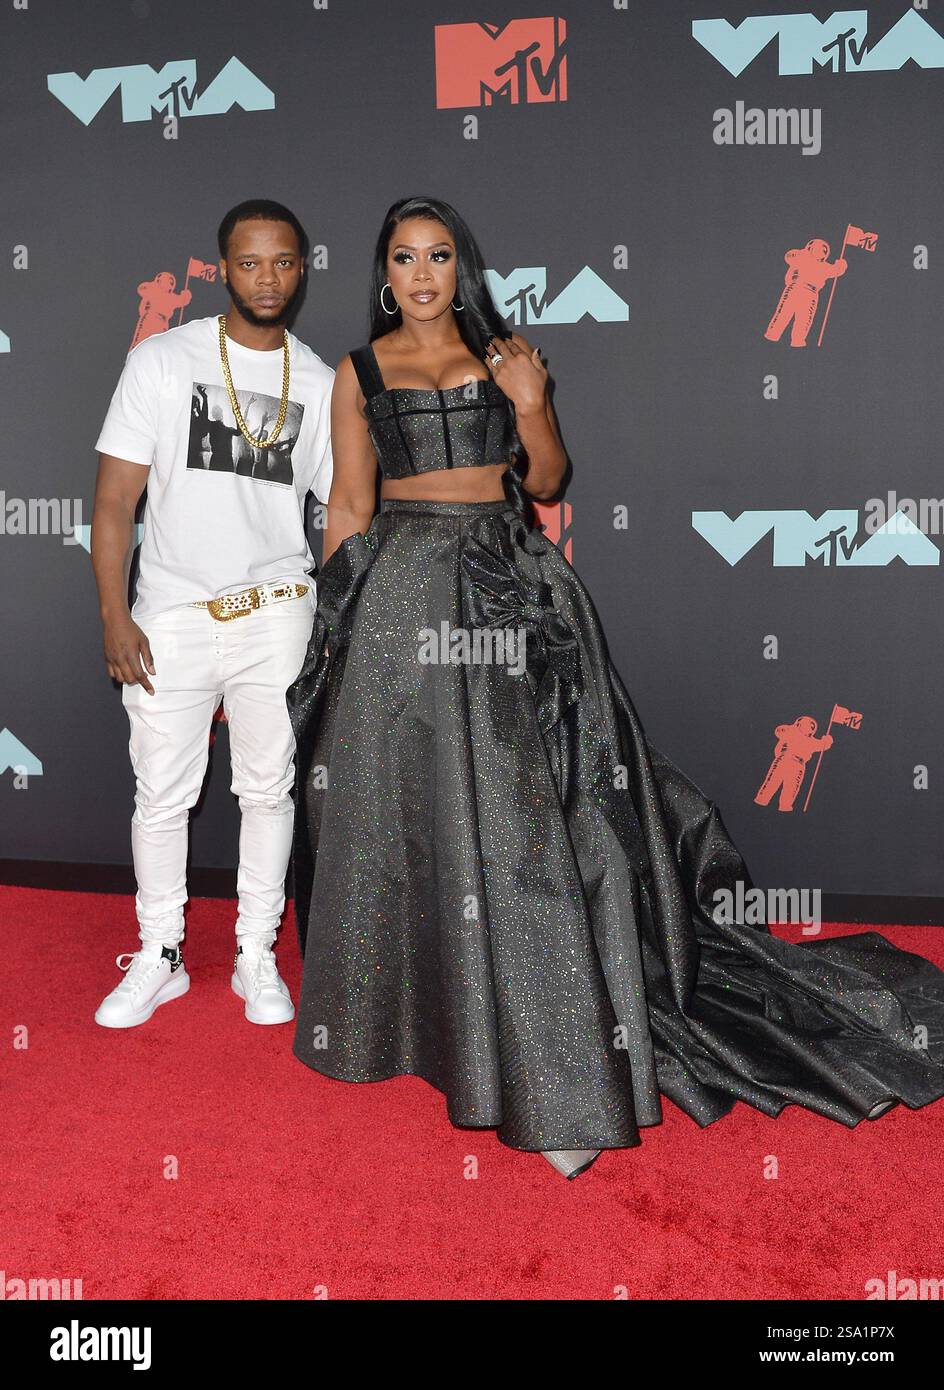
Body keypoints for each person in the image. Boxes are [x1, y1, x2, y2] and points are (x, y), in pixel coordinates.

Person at [287, 195, 944, 1180]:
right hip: (392, 597)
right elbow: (347, 500)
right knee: (401, 814)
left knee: (518, 821)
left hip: (502, 587)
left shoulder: (506, 356)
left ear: (460, 267)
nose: (421, 274)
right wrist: (333, 628)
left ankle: (558, 1077)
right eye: (402, 257)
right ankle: (411, 1029)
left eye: (437, 255)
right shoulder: (356, 372)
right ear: (382, 272)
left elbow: (546, 481)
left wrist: (531, 404)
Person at [91, 199, 334, 1031]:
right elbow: (114, 502)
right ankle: (161, 955)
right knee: (161, 794)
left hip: (276, 613)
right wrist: (116, 616)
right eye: (249, 262)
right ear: (222, 268)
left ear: (303, 269)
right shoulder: (163, 361)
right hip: (172, 614)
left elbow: (341, 517)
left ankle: (255, 955)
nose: (267, 277)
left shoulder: (325, 383)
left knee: (268, 790)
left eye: (283, 261)